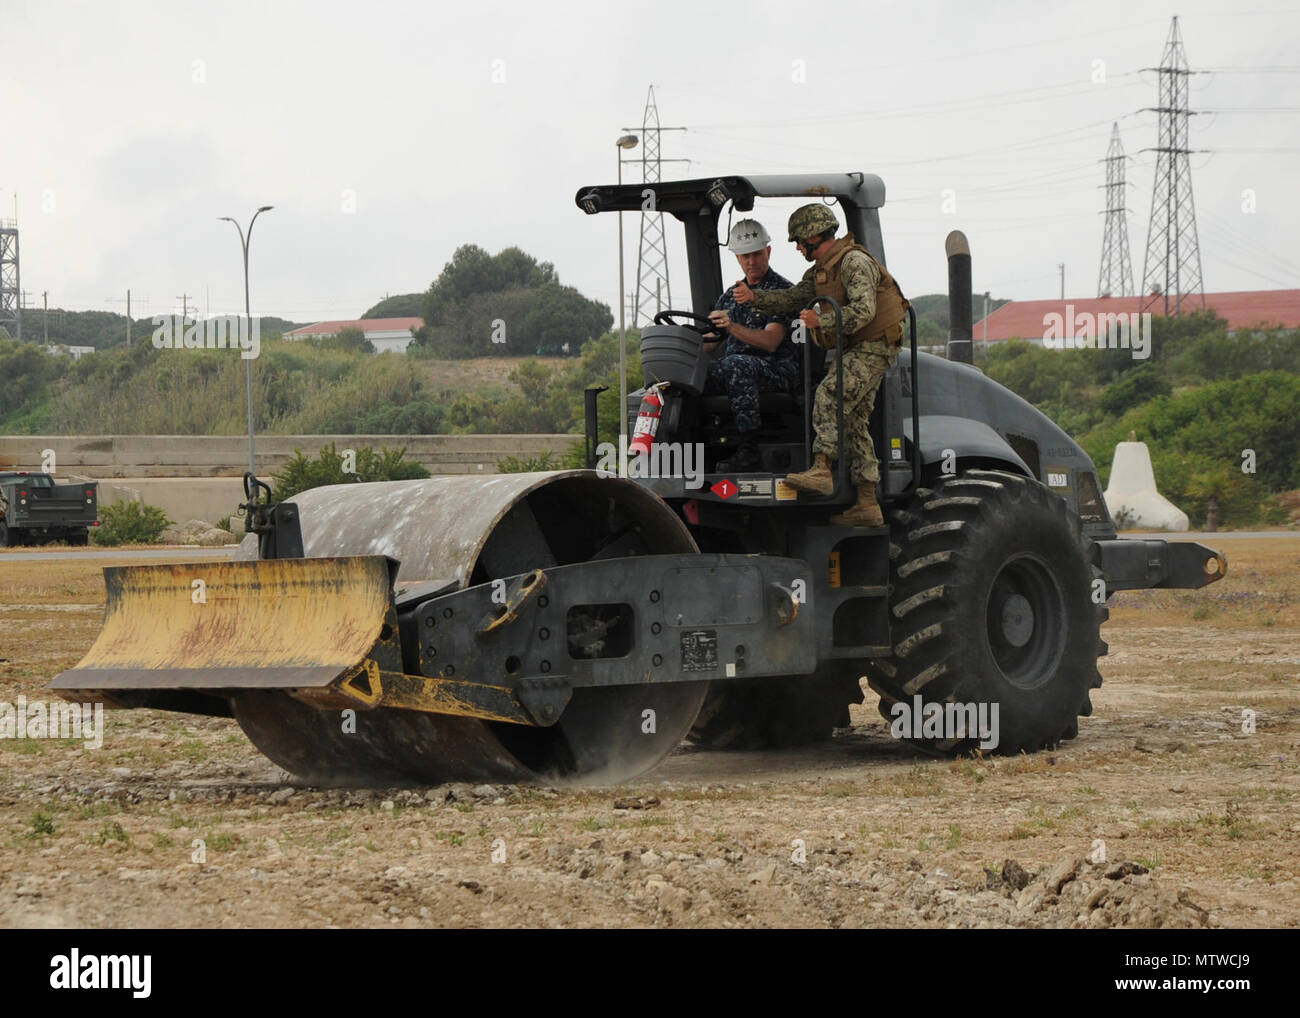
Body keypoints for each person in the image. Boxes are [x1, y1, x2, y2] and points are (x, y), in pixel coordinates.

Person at [733, 203, 910, 527]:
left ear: (814, 236)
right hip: (857, 346)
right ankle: (867, 504)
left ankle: (822, 470)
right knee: (854, 421)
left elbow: (864, 312)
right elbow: (791, 298)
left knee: (828, 393)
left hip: (875, 344)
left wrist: (821, 321)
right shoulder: (819, 272)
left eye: (800, 241)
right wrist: (754, 298)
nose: (799, 248)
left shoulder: (854, 262)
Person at [702, 219, 800, 473]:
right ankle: (693, 447)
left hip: (776, 369)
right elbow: (711, 343)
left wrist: (731, 327)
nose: (751, 261)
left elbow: (771, 342)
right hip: (738, 368)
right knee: (687, 378)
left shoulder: (782, 292)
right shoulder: (731, 294)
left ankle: (750, 448)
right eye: (745, 256)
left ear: (768, 251)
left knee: (737, 365)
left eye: (756, 254)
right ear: (737, 257)